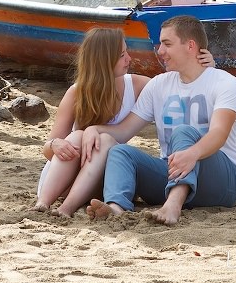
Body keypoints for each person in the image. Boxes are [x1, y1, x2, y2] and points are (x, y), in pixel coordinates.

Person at [83, 15, 236, 225]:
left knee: (183, 132)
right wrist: (93, 129)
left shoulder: (224, 83)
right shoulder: (158, 85)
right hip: (172, 173)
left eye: (167, 44)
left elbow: (219, 134)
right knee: (120, 151)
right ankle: (116, 207)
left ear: (191, 46)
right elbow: (123, 131)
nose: (160, 51)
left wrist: (192, 154)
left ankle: (173, 205)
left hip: (223, 181)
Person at [34, 28, 151, 217]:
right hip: (63, 183)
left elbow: (173, 87)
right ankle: (43, 203)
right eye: (122, 55)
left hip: (104, 183)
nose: (129, 59)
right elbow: (48, 151)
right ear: (103, 60)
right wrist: (56, 144)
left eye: (126, 52)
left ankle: (66, 209)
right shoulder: (76, 93)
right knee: (78, 136)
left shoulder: (137, 85)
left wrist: (207, 67)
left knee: (104, 140)